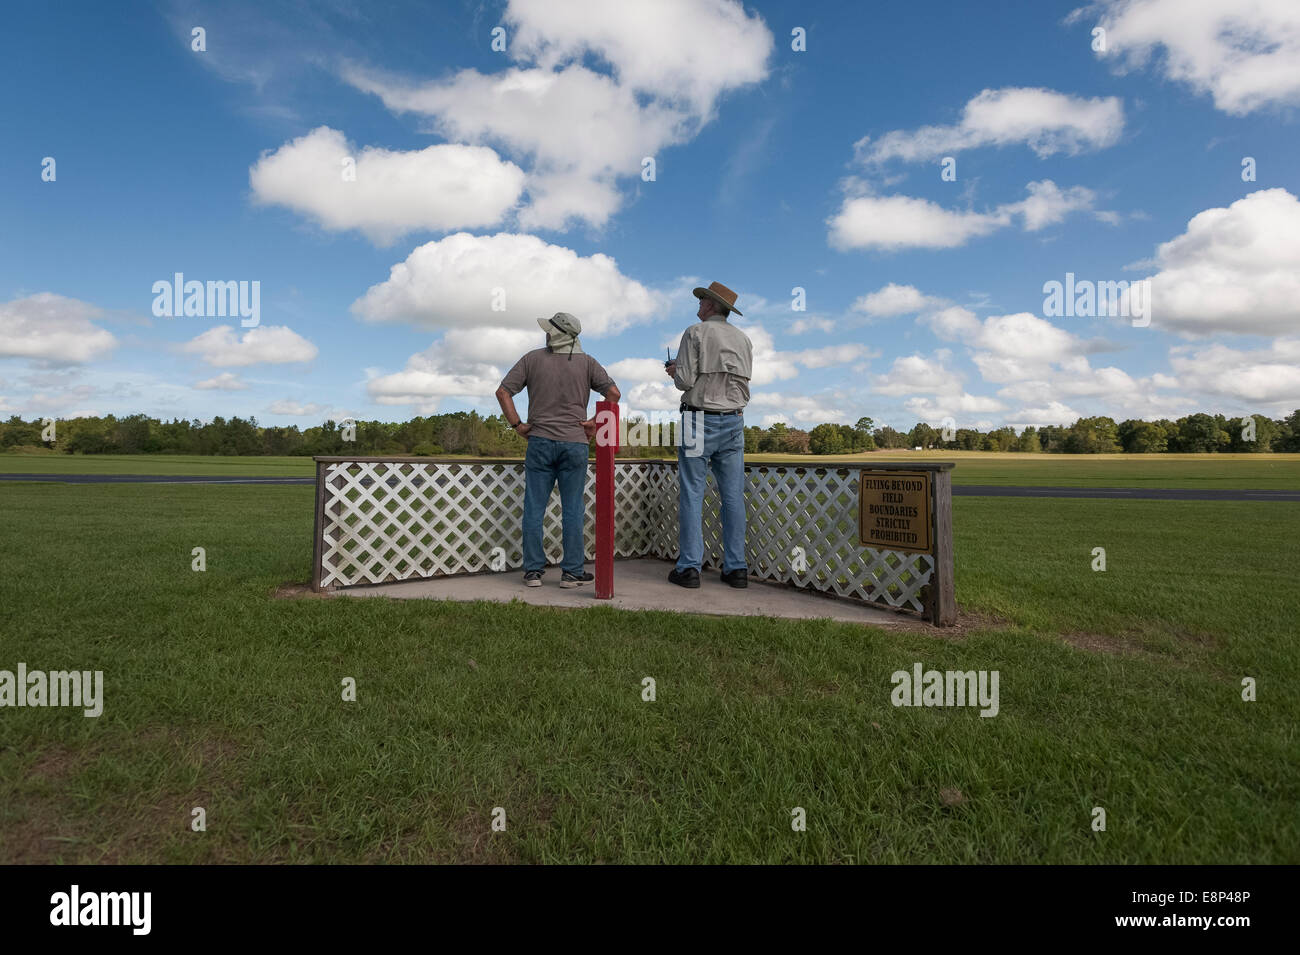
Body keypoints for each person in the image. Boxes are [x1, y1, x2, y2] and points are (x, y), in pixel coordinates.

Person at [496, 312, 620, 588]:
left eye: (549, 329)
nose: (546, 333)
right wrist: (594, 425)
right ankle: (572, 571)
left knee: (534, 508)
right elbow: (613, 394)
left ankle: (533, 571)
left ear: (555, 334)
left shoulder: (531, 359)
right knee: (573, 508)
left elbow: (503, 392)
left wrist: (517, 425)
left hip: (539, 441)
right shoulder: (587, 363)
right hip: (574, 442)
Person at [663, 281, 752, 589]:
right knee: (732, 496)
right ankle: (736, 567)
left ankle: (689, 568)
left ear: (712, 305)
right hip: (734, 421)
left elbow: (685, 381)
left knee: (692, 493)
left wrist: (676, 371)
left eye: (702, 301)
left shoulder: (695, 333)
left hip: (699, 420)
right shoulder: (743, 339)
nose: (698, 305)